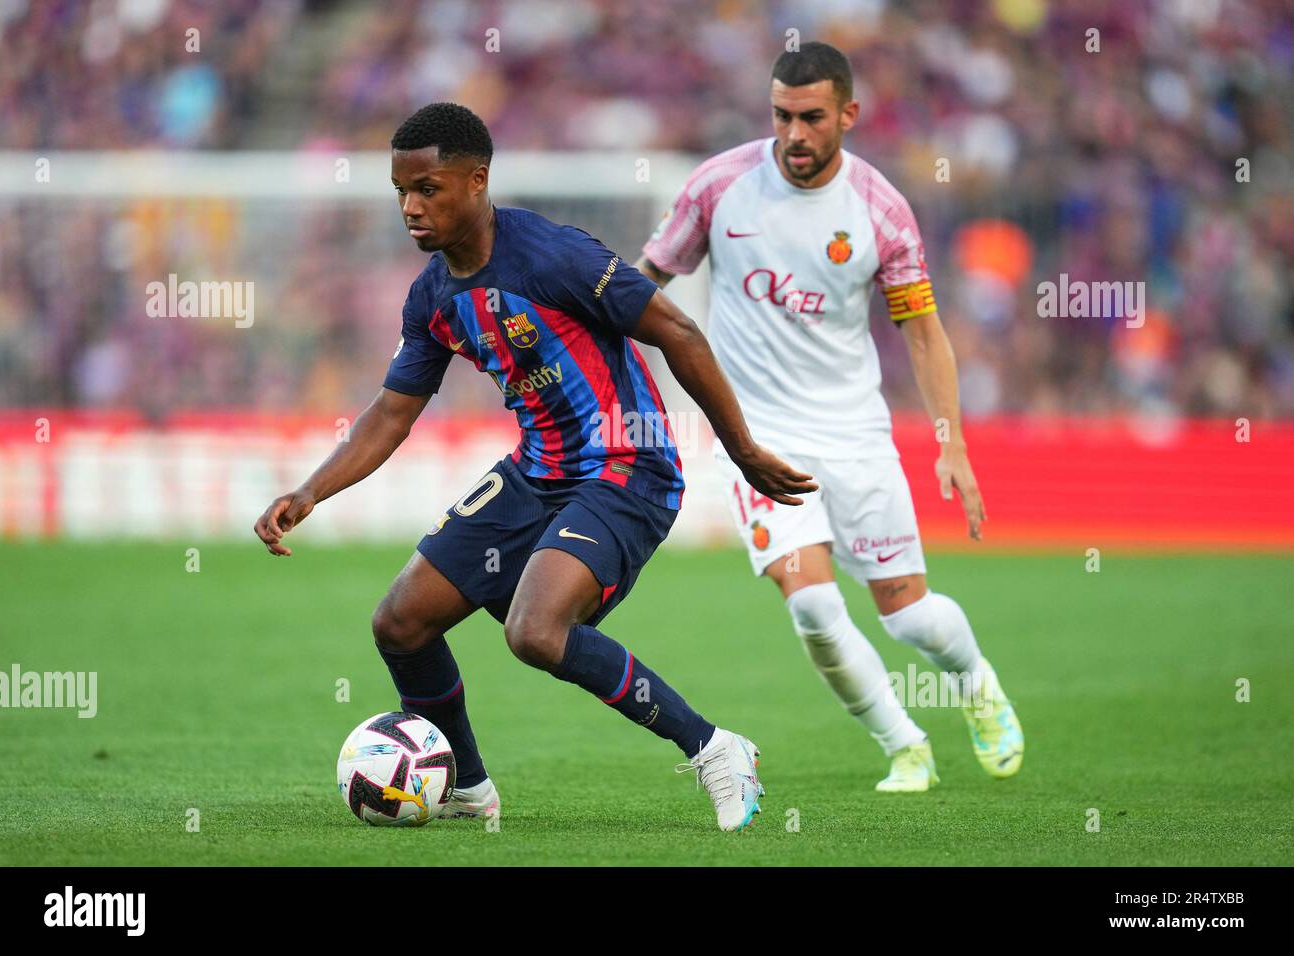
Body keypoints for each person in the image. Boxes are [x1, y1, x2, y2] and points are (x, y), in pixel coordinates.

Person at [254, 102, 816, 831]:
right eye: (402, 191)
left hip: (628, 465)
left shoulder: (554, 257)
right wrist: (309, 490)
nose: (411, 207)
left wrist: (740, 450)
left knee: (535, 632)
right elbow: (393, 412)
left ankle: (714, 748)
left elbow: (677, 331)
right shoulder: (432, 295)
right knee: (400, 623)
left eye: (428, 189)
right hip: (537, 473)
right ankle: (467, 789)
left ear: (477, 181)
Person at [635, 43, 1023, 792]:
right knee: (812, 603)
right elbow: (647, 278)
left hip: (854, 434)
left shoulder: (879, 210)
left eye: (811, 118)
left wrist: (952, 443)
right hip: (756, 435)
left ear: (848, 113)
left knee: (909, 617)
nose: (793, 135)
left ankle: (976, 682)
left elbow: (923, 329)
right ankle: (904, 744)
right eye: (781, 116)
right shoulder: (719, 187)